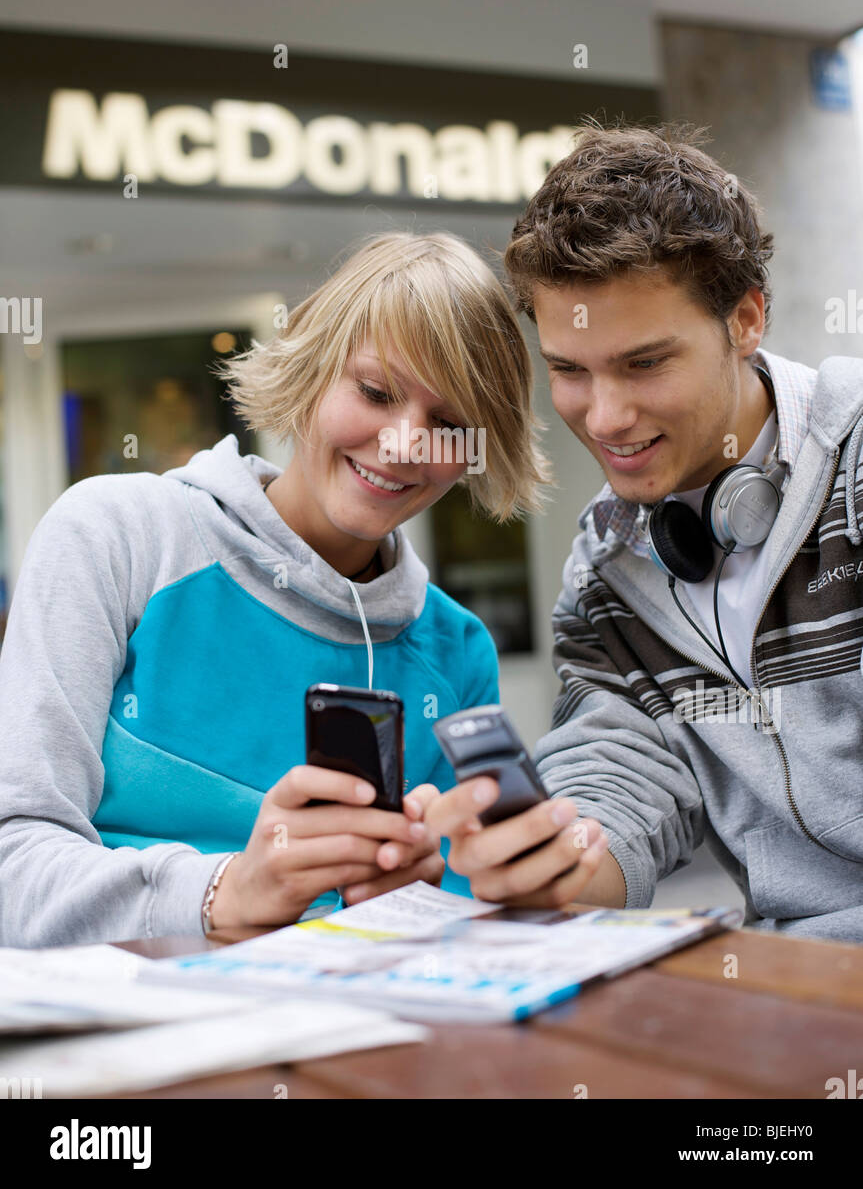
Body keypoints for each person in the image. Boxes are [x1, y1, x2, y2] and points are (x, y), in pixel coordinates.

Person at [0, 231, 551, 947]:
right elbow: (13, 863)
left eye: (448, 423)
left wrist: (420, 895)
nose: (404, 444)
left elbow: (471, 911)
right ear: (312, 372)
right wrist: (222, 891)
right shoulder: (115, 536)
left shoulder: (456, 650)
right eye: (375, 392)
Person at [427, 122, 863, 943]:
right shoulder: (603, 571)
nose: (605, 418)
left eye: (643, 364)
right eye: (569, 370)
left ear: (744, 320)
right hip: (799, 987)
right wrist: (556, 858)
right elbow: (618, 785)